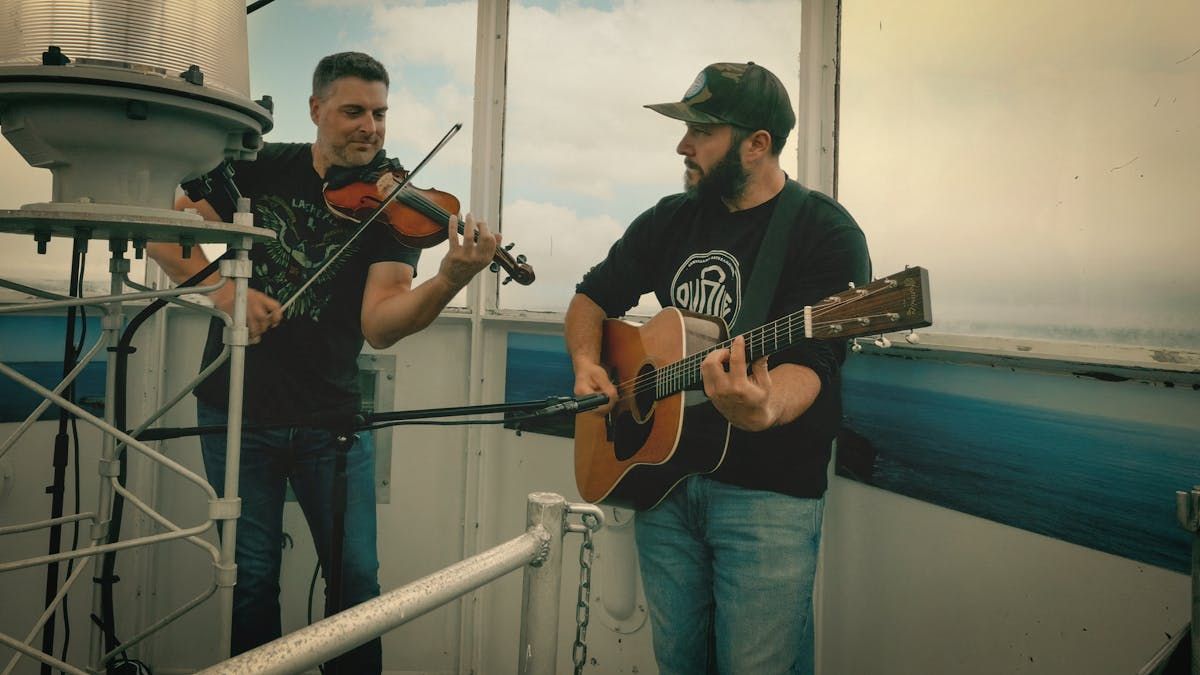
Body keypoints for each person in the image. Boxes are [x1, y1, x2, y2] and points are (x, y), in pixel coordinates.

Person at [147, 51, 498, 673]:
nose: (371, 128)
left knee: (356, 580)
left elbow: (380, 325)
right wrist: (224, 293)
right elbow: (160, 229)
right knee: (250, 577)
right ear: (316, 109)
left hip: (331, 420)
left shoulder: (392, 201)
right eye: (354, 111)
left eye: (380, 114)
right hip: (235, 410)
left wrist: (449, 279)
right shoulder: (257, 169)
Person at [564, 62, 871, 674]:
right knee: (678, 661)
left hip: (768, 495)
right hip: (663, 482)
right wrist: (585, 363)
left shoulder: (823, 231)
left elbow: (815, 361)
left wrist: (766, 407)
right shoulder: (670, 219)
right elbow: (591, 299)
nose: (683, 145)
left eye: (701, 131)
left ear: (757, 144)